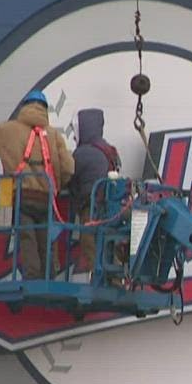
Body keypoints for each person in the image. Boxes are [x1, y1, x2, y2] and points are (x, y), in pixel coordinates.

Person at [0, 90, 75, 279]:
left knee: (27, 237)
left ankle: (32, 275)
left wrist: (7, 152)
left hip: (21, 196)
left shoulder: (8, 129)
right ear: (44, 109)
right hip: (46, 197)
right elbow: (68, 168)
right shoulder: (54, 135)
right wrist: (58, 183)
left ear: (24, 106)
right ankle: (49, 275)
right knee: (46, 238)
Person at [68, 108, 120, 272]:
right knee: (109, 241)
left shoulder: (82, 153)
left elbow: (68, 177)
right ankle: (114, 276)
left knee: (88, 239)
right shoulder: (109, 150)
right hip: (111, 205)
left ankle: (96, 273)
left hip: (90, 206)